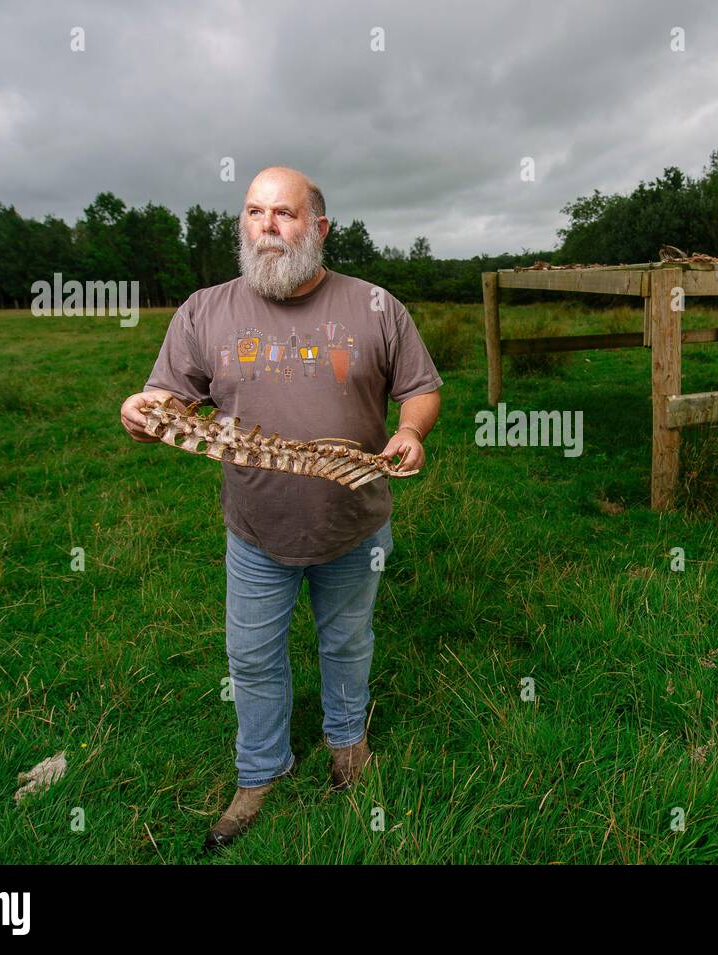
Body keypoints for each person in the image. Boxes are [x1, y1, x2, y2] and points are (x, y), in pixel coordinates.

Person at [120, 166, 442, 851]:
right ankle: (260, 771)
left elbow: (420, 387)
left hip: (353, 522)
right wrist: (141, 411)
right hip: (256, 528)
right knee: (253, 654)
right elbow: (166, 397)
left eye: (285, 214)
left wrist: (410, 430)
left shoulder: (377, 306)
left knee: (347, 641)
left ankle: (347, 747)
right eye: (255, 212)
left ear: (318, 228)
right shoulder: (204, 310)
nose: (268, 226)